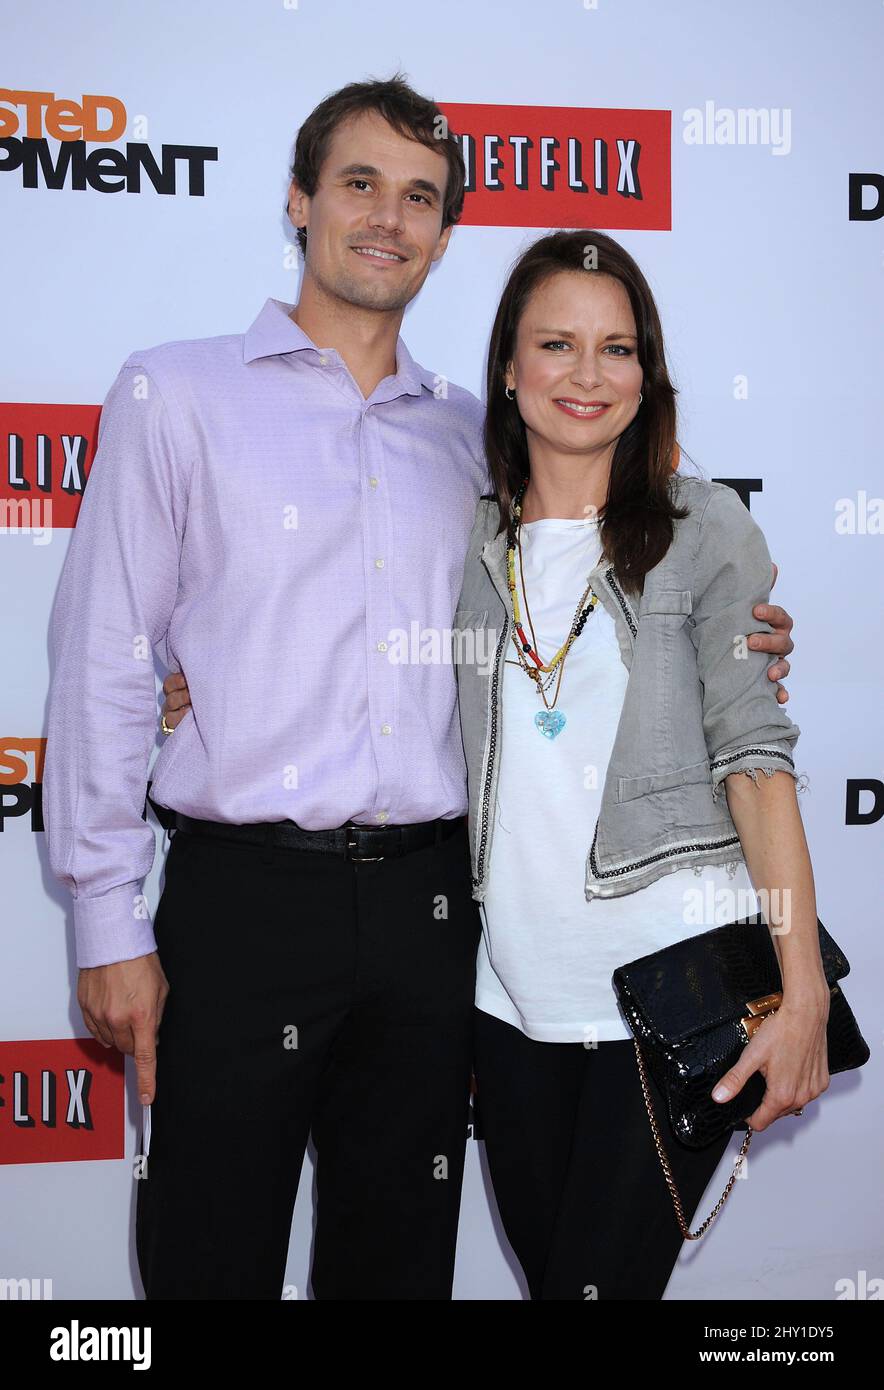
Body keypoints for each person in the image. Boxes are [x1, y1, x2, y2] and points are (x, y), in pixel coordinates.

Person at [44, 73, 796, 1303]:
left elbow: (619, 584)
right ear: (297, 201)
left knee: (395, 1266)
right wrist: (105, 917)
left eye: (420, 198)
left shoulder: (477, 437)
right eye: (358, 185)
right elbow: (106, 667)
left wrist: (741, 629)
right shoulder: (173, 394)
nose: (387, 219)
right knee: (203, 1257)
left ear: (446, 234)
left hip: (436, 913)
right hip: (242, 906)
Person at [451, 229, 829, 1300]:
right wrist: (195, 687)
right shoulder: (463, 536)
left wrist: (796, 994)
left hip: (675, 995)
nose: (585, 375)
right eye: (556, 344)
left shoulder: (702, 530)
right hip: (511, 999)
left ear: (646, 374)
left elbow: (756, 765)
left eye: (616, 349)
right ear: (508, 368)